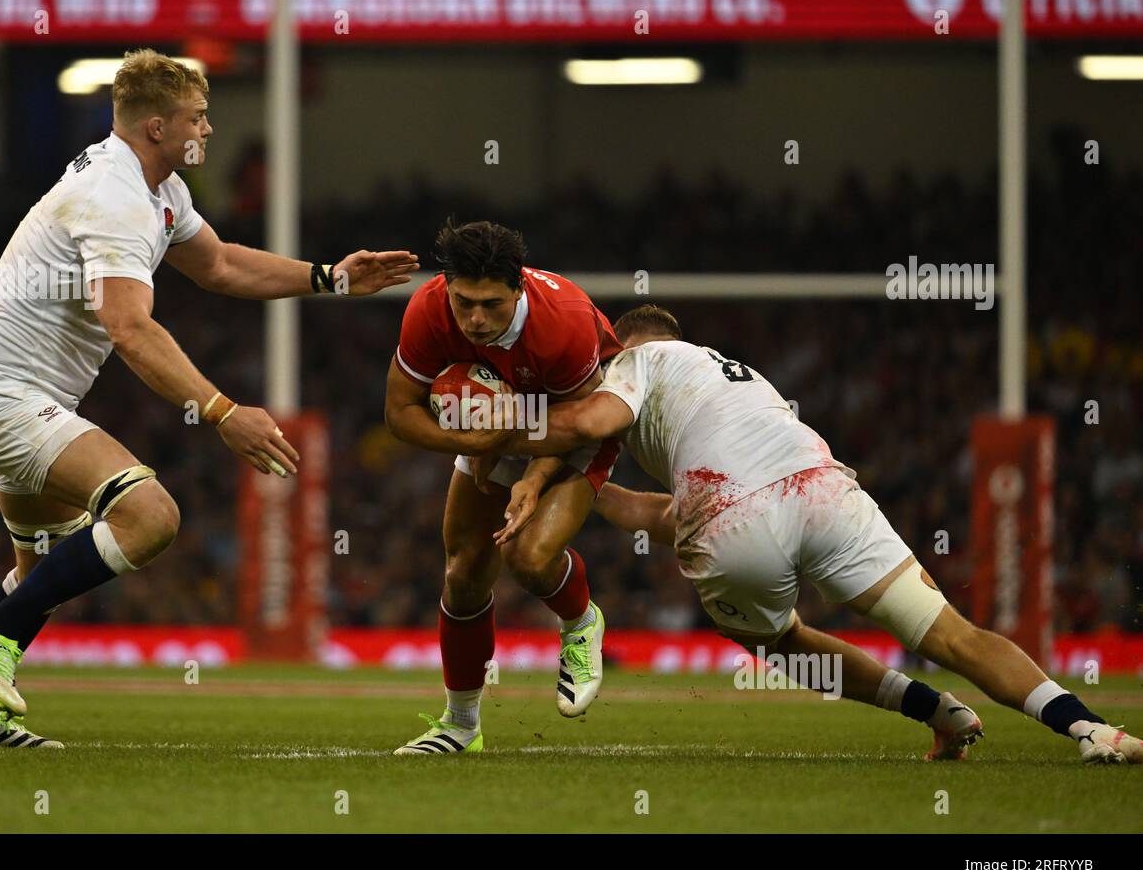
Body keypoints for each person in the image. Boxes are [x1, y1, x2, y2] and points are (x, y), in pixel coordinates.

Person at [0, 48, 418, 748]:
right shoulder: (116, 195)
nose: (209, 130)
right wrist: (224, 411)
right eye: (199, 117)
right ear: (157, 126)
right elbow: (129, 328)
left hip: (26, 395)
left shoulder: (158, 190)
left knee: (40, 567)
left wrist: (329, 277)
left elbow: (220, 264)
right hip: (2, 396)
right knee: (150, 515)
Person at [488, 305, 1140, 765]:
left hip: (730, 521)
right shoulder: (728, 380)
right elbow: (663, 514)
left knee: (778, 637)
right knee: (953, 633)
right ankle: (1088, 728)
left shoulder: (635, 359)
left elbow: (598, 415)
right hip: (820, 487)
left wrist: (499, 436)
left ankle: (933, 709)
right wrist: (586, 493)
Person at [383, 218, 621, 755]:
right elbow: (399, 414)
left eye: (492, 304)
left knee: (528, 558)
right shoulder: (427, 309)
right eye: (464, 301)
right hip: (500, 422)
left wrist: (533, 480)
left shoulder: (563, 323)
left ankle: (581, 622)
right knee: (464, 571)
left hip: (581, 420)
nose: (475, 319)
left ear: (520, 287)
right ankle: (460, 726)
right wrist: (475, 440)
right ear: (447, 287)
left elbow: (579, 424)